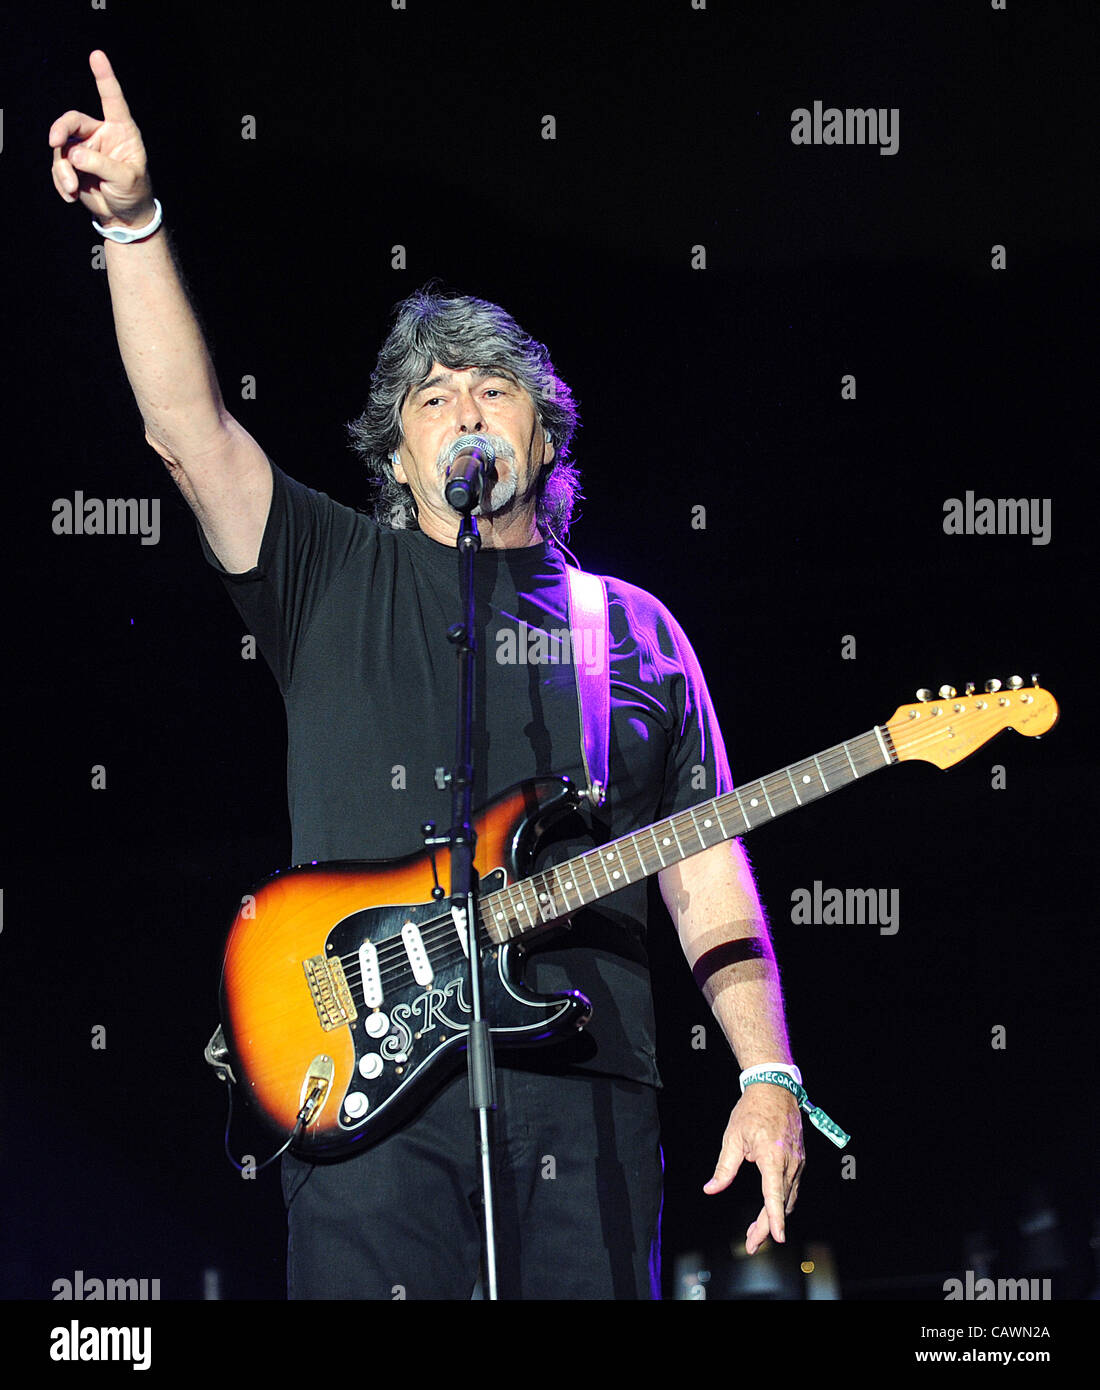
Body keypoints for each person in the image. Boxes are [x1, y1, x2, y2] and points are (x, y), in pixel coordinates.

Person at [50, 49, 806, 1300]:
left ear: (541, 433)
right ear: (395, 458)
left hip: (587, 1100)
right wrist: (133, 223)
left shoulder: (631, 629)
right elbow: (189, 434)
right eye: (429, 398)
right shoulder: (328, 573)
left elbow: (705, 863)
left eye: (490, 389)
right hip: (360, 1094)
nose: (461, 409)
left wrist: (766, 1076)